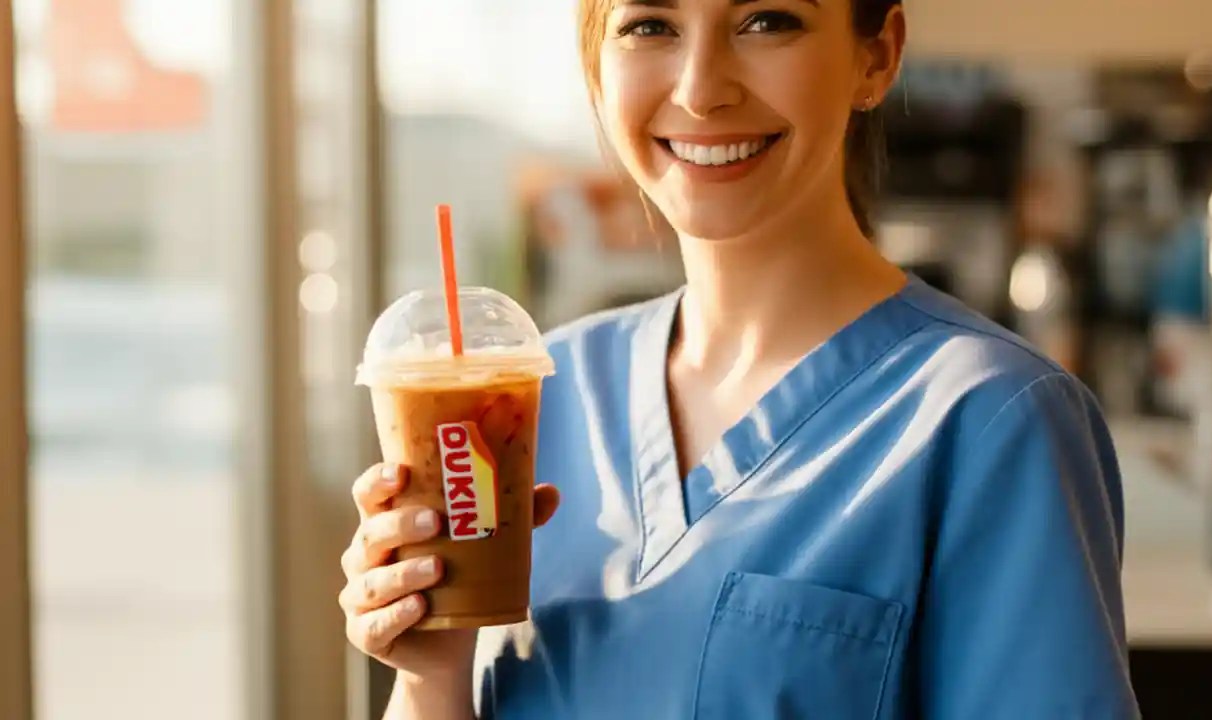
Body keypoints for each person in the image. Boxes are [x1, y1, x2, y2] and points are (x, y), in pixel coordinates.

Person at [339, 1, 1140, 717]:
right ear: (595, 66)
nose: (700, 89)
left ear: (876, 55)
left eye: (767, 21)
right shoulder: (534, 395)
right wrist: (432, 676)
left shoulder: (989, 418)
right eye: (650, 25)